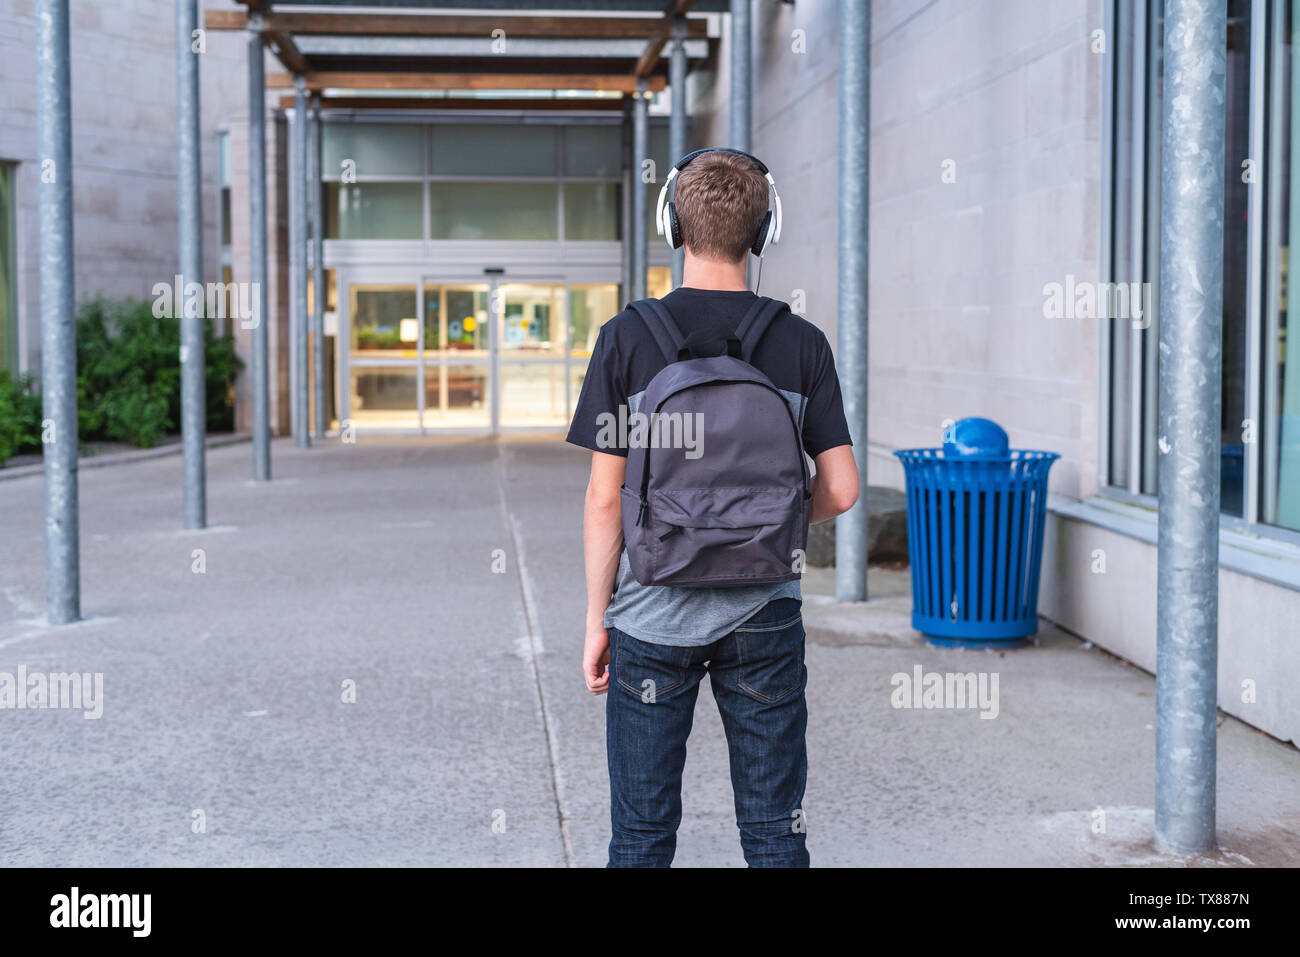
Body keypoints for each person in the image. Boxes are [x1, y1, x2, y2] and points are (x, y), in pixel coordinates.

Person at [565, 148, 860, 867]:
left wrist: (596, 617)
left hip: (649, 613)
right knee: (772, 830)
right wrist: (770, 524)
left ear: (673, 223)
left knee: (640, 834)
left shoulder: (626, 338)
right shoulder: (801, 342)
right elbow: (844, 488)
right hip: (764, 614)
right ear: (764, 231)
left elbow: (606, 499)